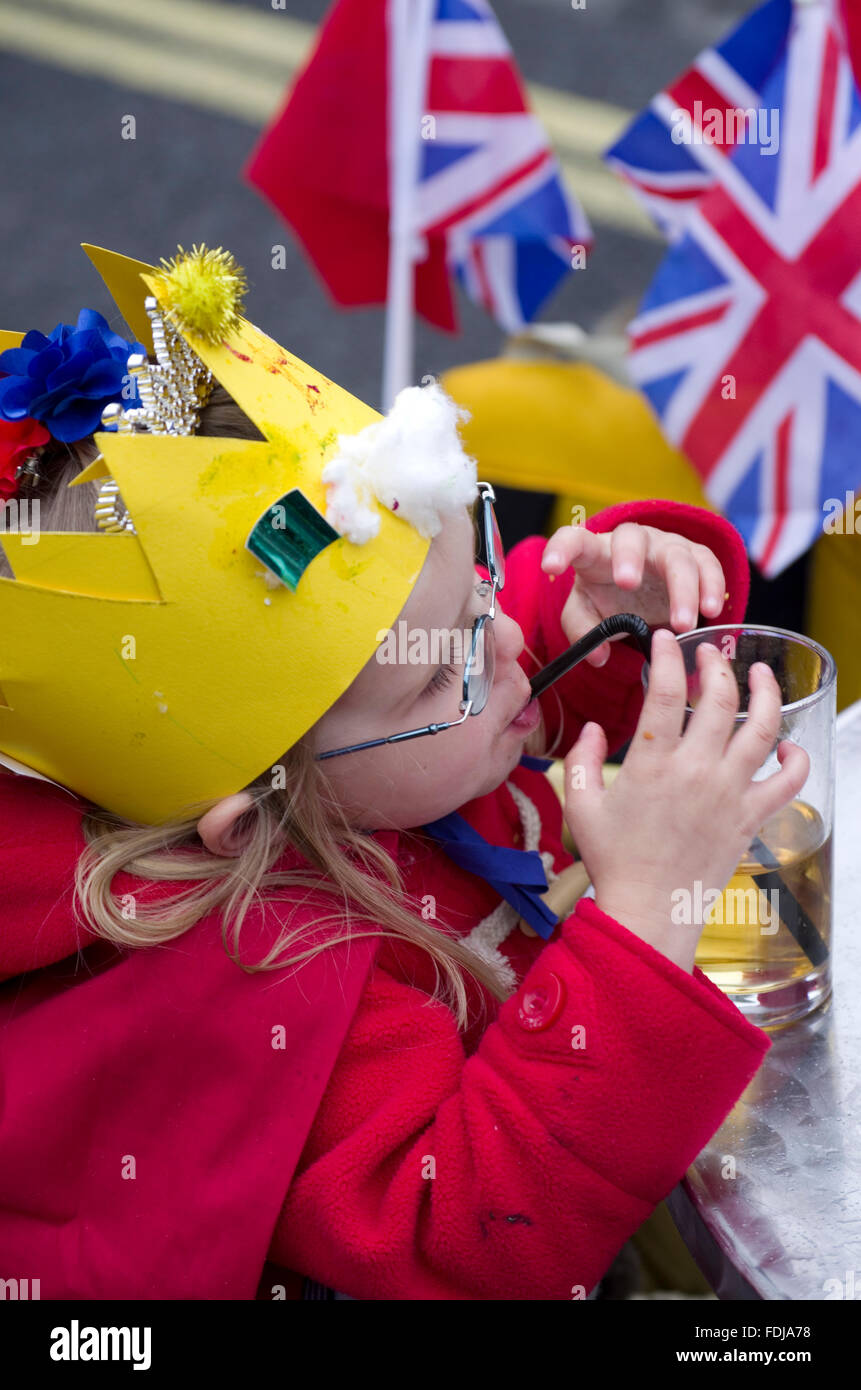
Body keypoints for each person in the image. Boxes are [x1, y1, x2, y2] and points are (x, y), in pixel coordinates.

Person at [0, 243, 808, 1301]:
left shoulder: (351, 744)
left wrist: (599, 626)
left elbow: (433, 668)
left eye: (475, 586)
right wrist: (647, 920)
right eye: (446, 672)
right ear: (247, 822)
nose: (508, 645)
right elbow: (479, 1238)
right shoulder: (267, 980)